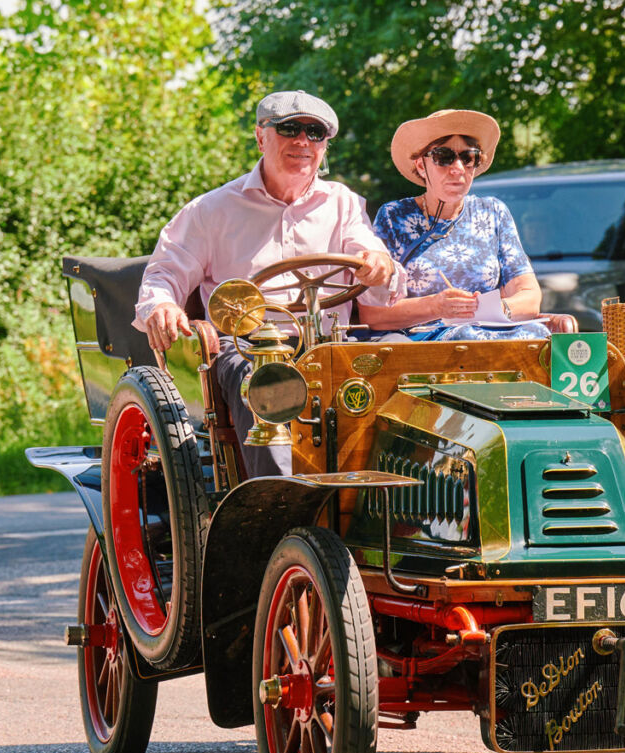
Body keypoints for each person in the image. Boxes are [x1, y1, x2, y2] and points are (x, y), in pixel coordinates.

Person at [131, 90, 399, 477]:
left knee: (402, 362)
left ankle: (393, 502)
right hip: (249, 346)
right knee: (264, 379)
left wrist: (378, 264)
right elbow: (164, 273)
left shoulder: (343, 203)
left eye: (316, 132)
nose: (303, 141)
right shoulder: (211, 210)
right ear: (261, 137)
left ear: (324, 145)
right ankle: (276, 512)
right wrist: (162, 306)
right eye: (290, 129)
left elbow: (369, 255)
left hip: (332, 345)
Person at [358, 109, 549, 341]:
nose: (458, 168)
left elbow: (529, 295)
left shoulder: (493, 212)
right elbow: (372, 314)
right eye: (444, 156)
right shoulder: (394, 216)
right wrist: (436, 306)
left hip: (490, 336)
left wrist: (493, 312)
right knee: (466, 337)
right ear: (420, 165)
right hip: (421, 344)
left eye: (468, 157)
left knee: (541, 337)